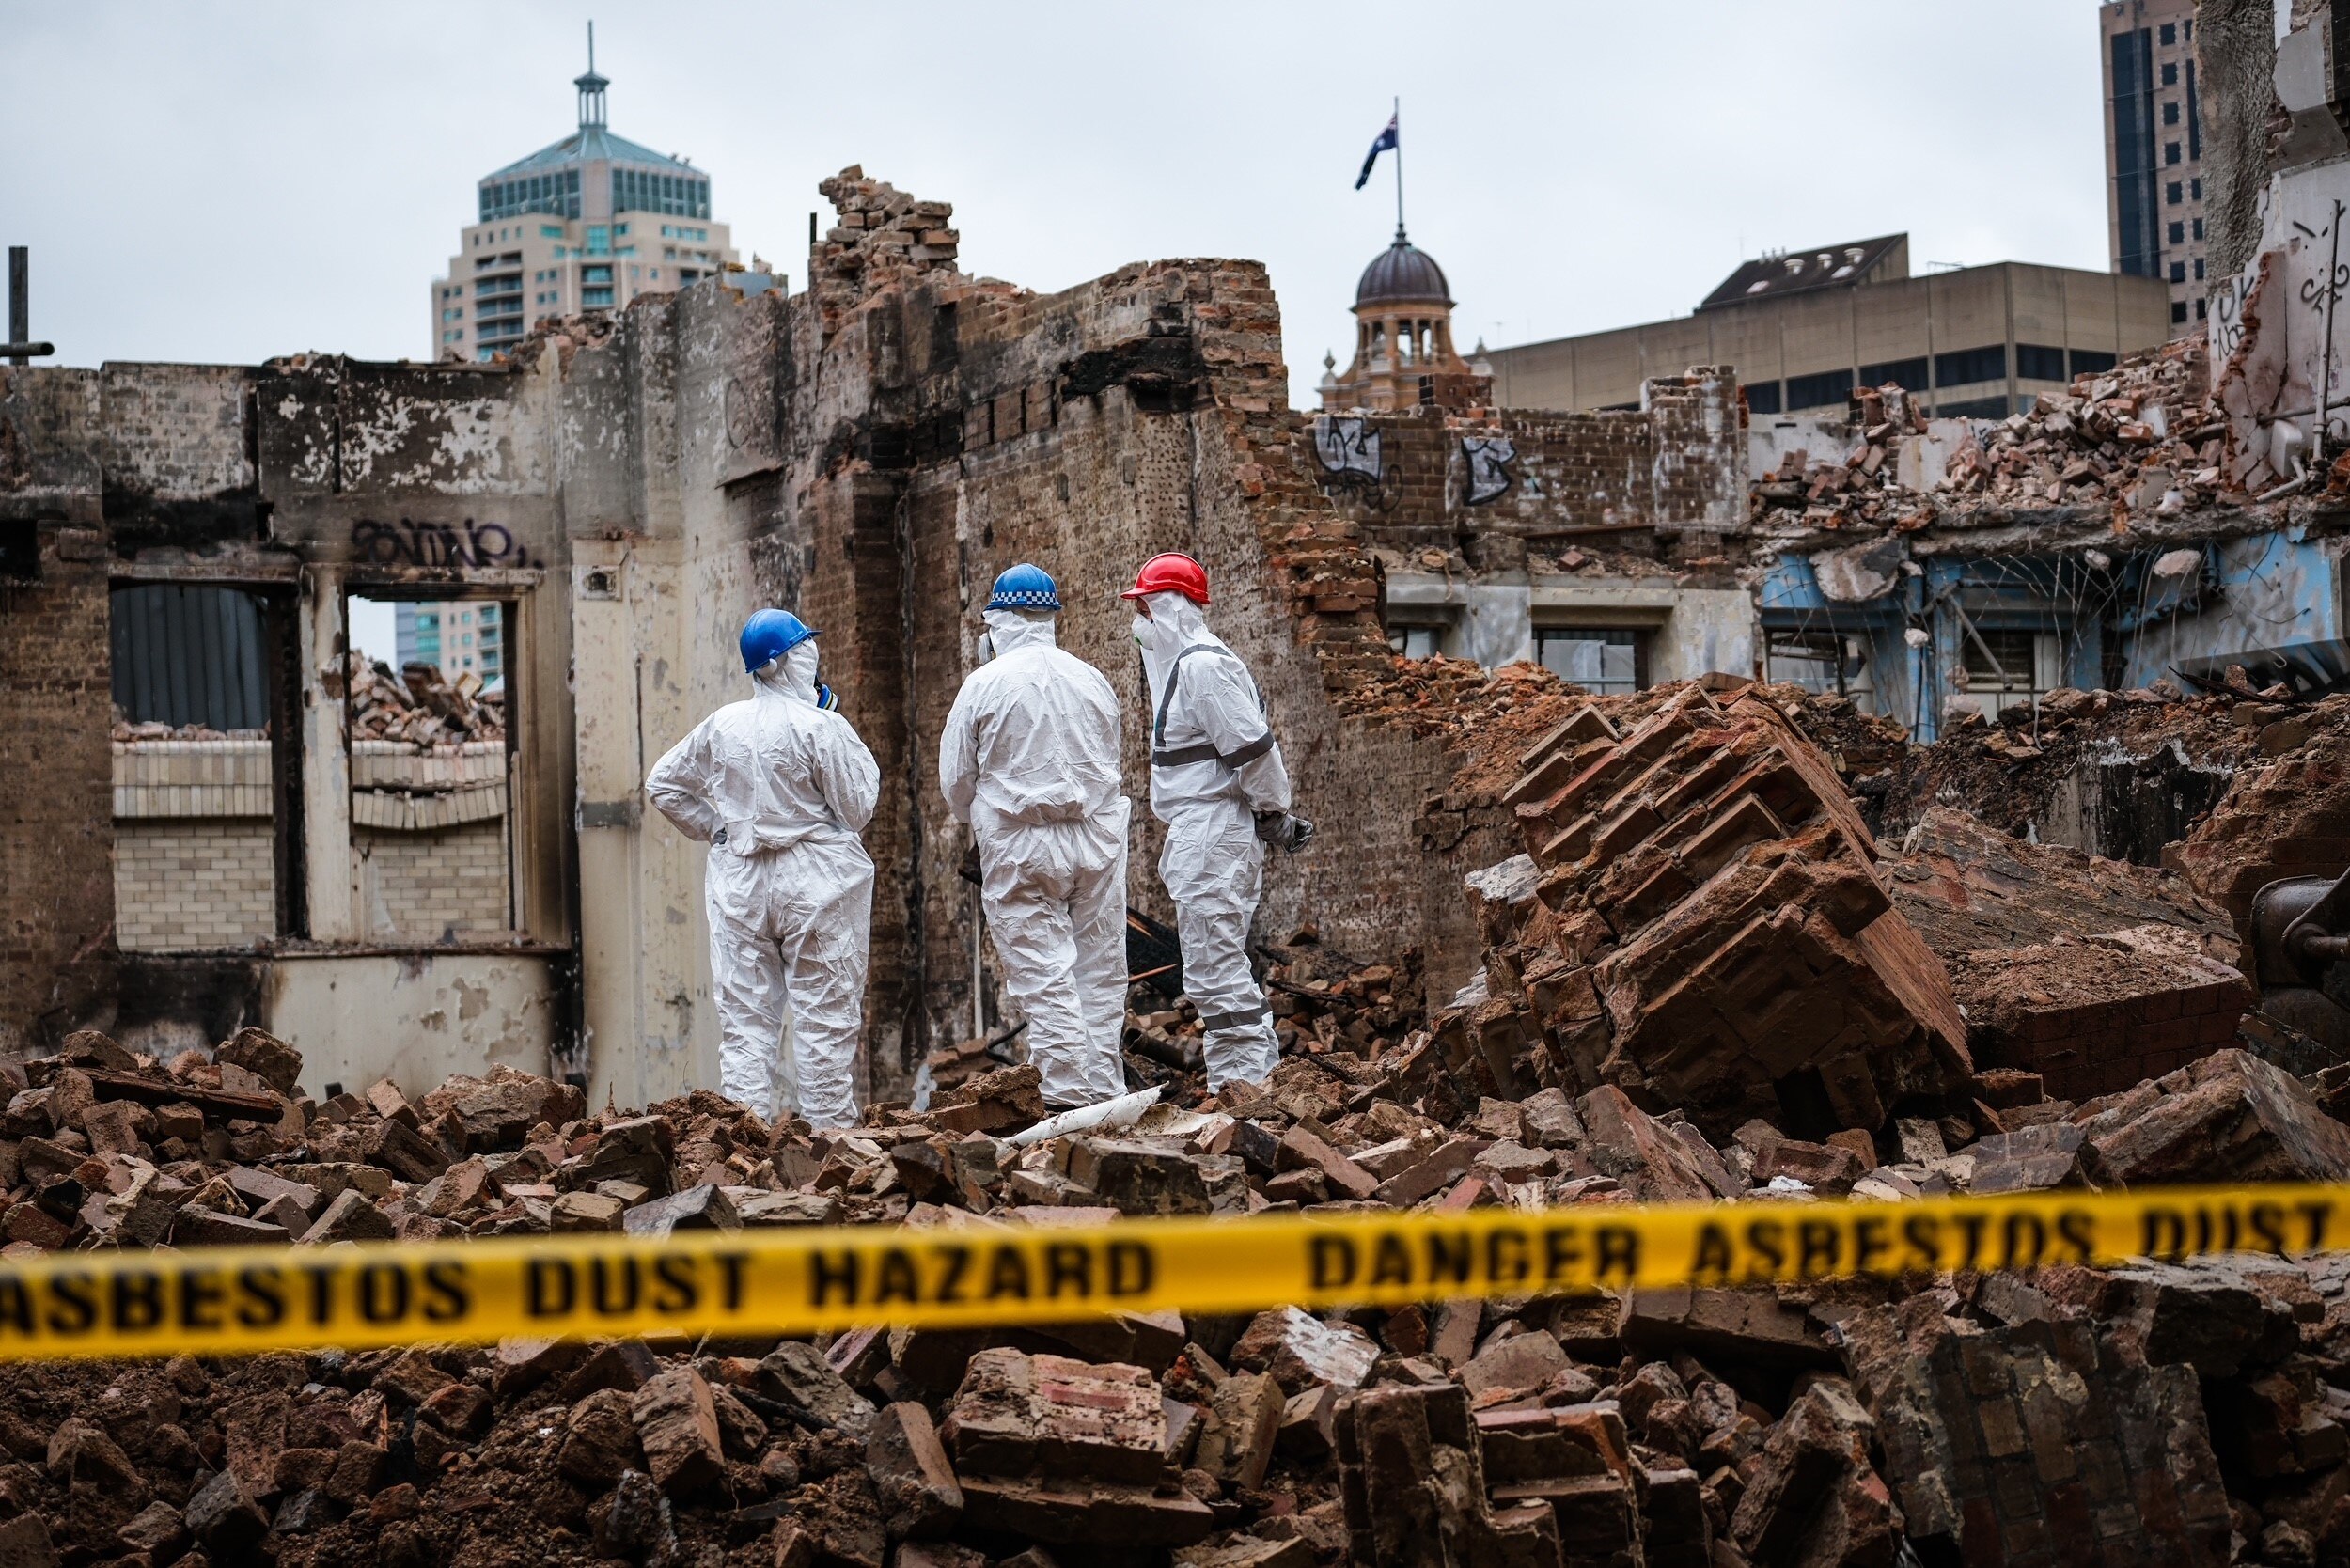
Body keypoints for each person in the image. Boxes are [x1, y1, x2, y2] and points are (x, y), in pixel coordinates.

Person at [646, 609, 880, 1130]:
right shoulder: (820, 725)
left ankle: (742, 1148)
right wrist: (834, 724)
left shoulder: (722, 724)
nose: (811, 655)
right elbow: (858, 806)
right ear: (777, 663)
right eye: (802, 648)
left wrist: (716, 828)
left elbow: (663, 783)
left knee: (746, 1025)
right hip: (815, 879)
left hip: (741, 881)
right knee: (825, 1018)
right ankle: (829, 1146)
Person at [940, 565, 1132, 1109]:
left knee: (1044, 971)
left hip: (1020, 842)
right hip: (1095, 837)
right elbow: (1111, 758)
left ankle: (1069, 1095)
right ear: (1050, 618)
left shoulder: (983, 685)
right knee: (1099, 968)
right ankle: (1105, 1090)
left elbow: (956, 780)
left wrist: (976, 818)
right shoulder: (1092, 679)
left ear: (998, 620)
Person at [1123, 553, 1312, 1092]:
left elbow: (1255, 755)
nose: (1138, 623)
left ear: (1166, 608)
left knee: (1218, 967)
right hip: (1203, 831)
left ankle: (1250, 1084)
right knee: (1211, 968)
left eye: (1143, 608)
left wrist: (1274, 813)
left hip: (1215, 830)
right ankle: (1240, 1081)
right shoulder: (1187, 668)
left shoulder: (1205, 668)